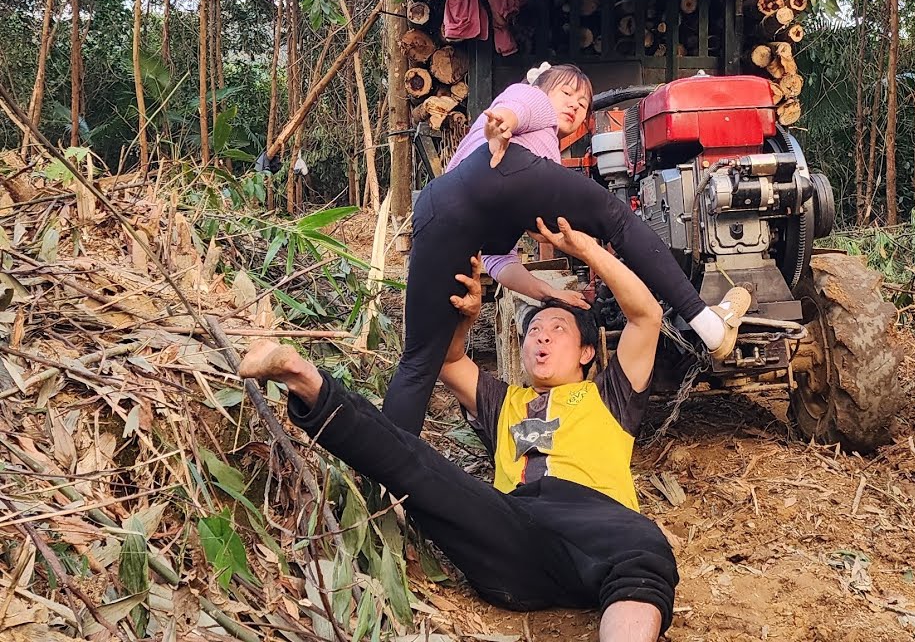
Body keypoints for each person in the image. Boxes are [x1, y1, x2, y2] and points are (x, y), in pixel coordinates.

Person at [238, 216, 678, 642]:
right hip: (516, 538)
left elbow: (646, 317)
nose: (541, 338)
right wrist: (463, 323)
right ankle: (305, 381)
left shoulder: (611, 396)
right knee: (418, 465)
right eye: (534, 330)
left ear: (586, 353)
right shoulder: (505, 402)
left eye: (556, 330)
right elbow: (448, 361)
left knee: (644, 552)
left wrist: (587, 250)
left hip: (601, 522)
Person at [383, 64, 751, 436]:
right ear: (542, 89)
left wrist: (549, 292)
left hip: (436, 204)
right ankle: (709, 327)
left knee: (417, 362)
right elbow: (520, 104)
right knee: (618, 220)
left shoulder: (508, 159)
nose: (575, 106)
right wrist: (504, 124)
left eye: (583, 103)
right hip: (498, 161)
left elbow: (496, 260)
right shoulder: (531, 101)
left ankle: (386, 484)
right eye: (567, 95)